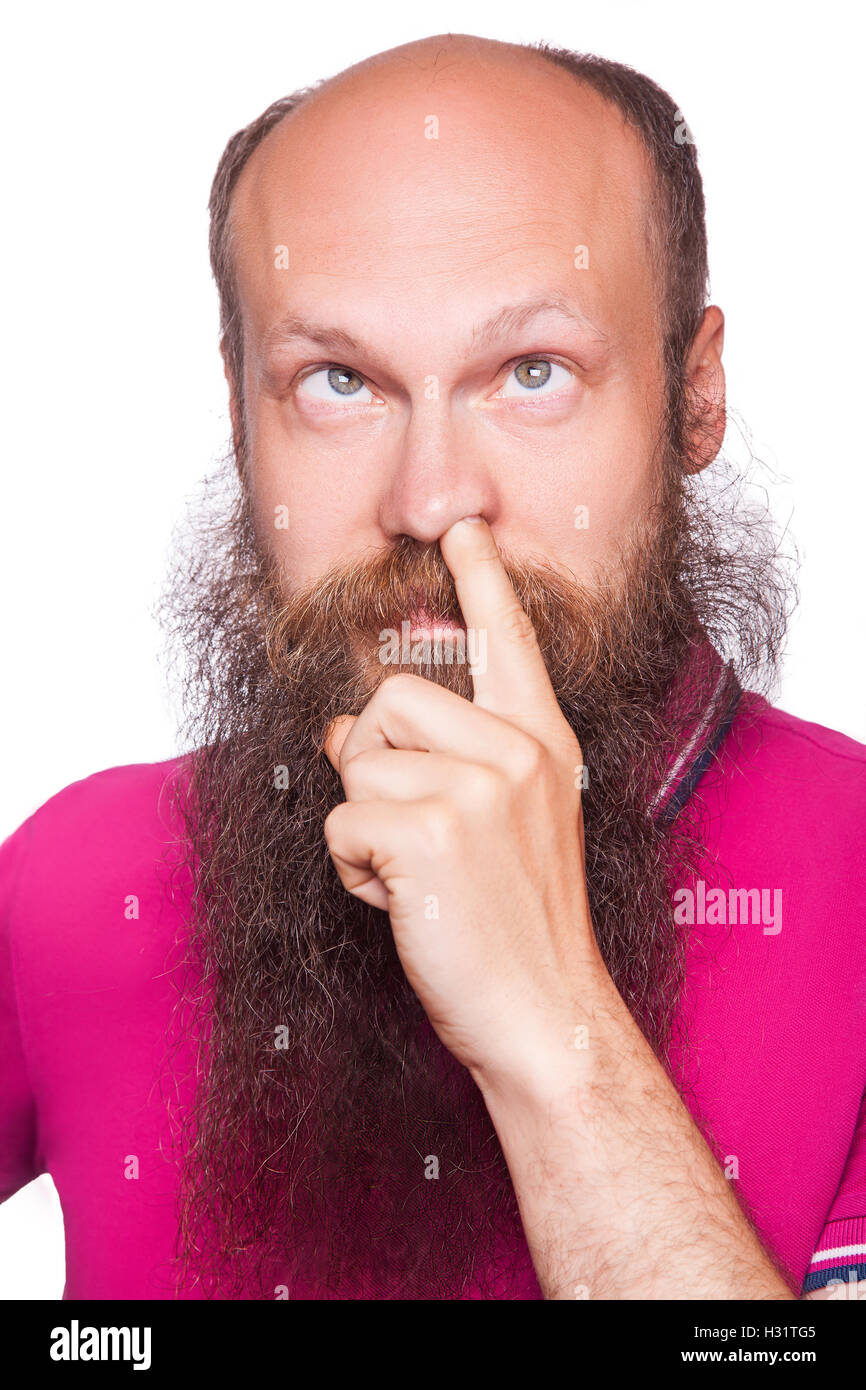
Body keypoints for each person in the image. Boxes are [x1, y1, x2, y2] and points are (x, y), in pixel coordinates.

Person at [1, 32, 863, 1301]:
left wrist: (549, 1036)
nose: (428, 500)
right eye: (338, 381)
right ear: (240, 417)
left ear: (693, 396)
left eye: (532, 374)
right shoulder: (77, 877)